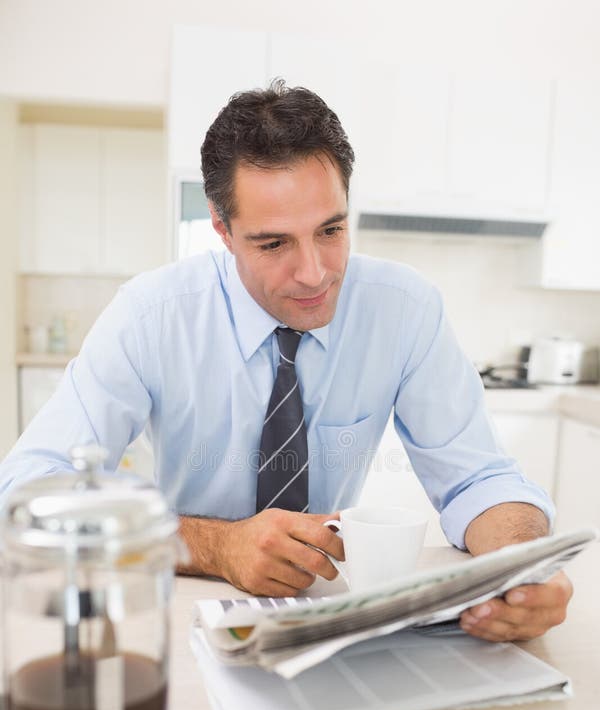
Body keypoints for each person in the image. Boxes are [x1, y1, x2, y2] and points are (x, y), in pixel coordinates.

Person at [0, 80, 571, 642]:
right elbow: (29, 492)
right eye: (273, 244)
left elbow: (480, 477)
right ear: (221, 229)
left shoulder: (405, 309)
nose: (314, 273)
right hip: (183, 607)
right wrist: (216, 547)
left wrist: (522, 566)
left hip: (327, 613)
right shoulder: (151, 315)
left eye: (331, 230)